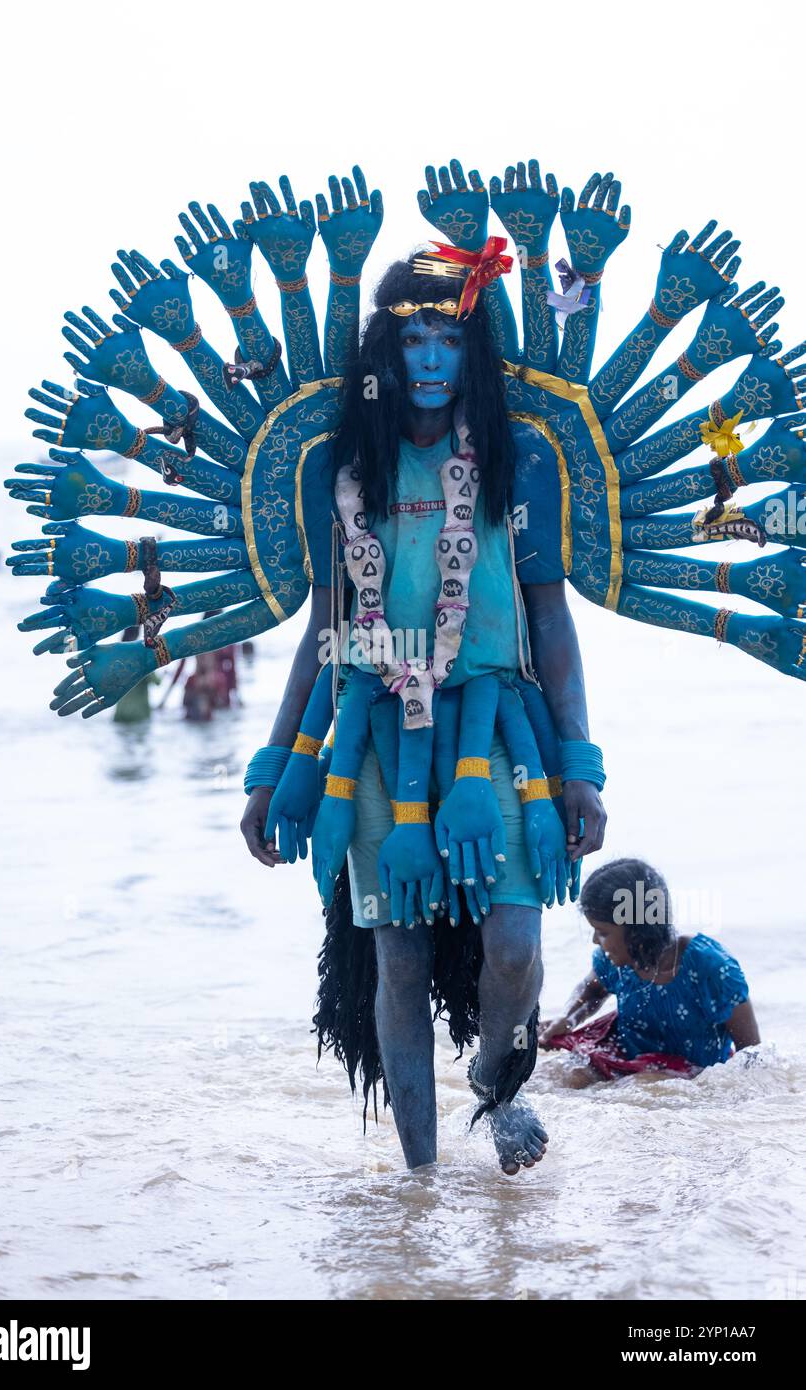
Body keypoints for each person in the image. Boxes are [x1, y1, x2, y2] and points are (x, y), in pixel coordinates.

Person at [242, 254, 606, 1176]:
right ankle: (419, 1187)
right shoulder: (339, 465)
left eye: (448, 338)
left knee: (516, 947)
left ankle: (496, 1083)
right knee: (397, 962)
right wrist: (273, 763)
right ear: (386, 350)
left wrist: (581, 767)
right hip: (371, 722)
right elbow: (325, 627)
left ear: (470, 350)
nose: (430, 358)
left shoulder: (517, 459)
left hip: (497, 723)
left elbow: (550, 618)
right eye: (411, 338)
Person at [540, 858, 759, 1080]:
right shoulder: (615, 960)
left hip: (690, 1073)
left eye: (603, 932)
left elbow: (751, 1054)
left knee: (644, 1082)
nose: (596, 941)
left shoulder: (711, 967)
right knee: (566, 1075)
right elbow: (592, 991)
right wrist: (568, 1019)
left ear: (638, 930)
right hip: (626, 1056)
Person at [112, 628, 160, 723]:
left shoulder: (117, 657)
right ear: (138, 634)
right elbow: (157, 682)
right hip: (138, 714)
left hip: (120, 713)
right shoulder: (142, 657)